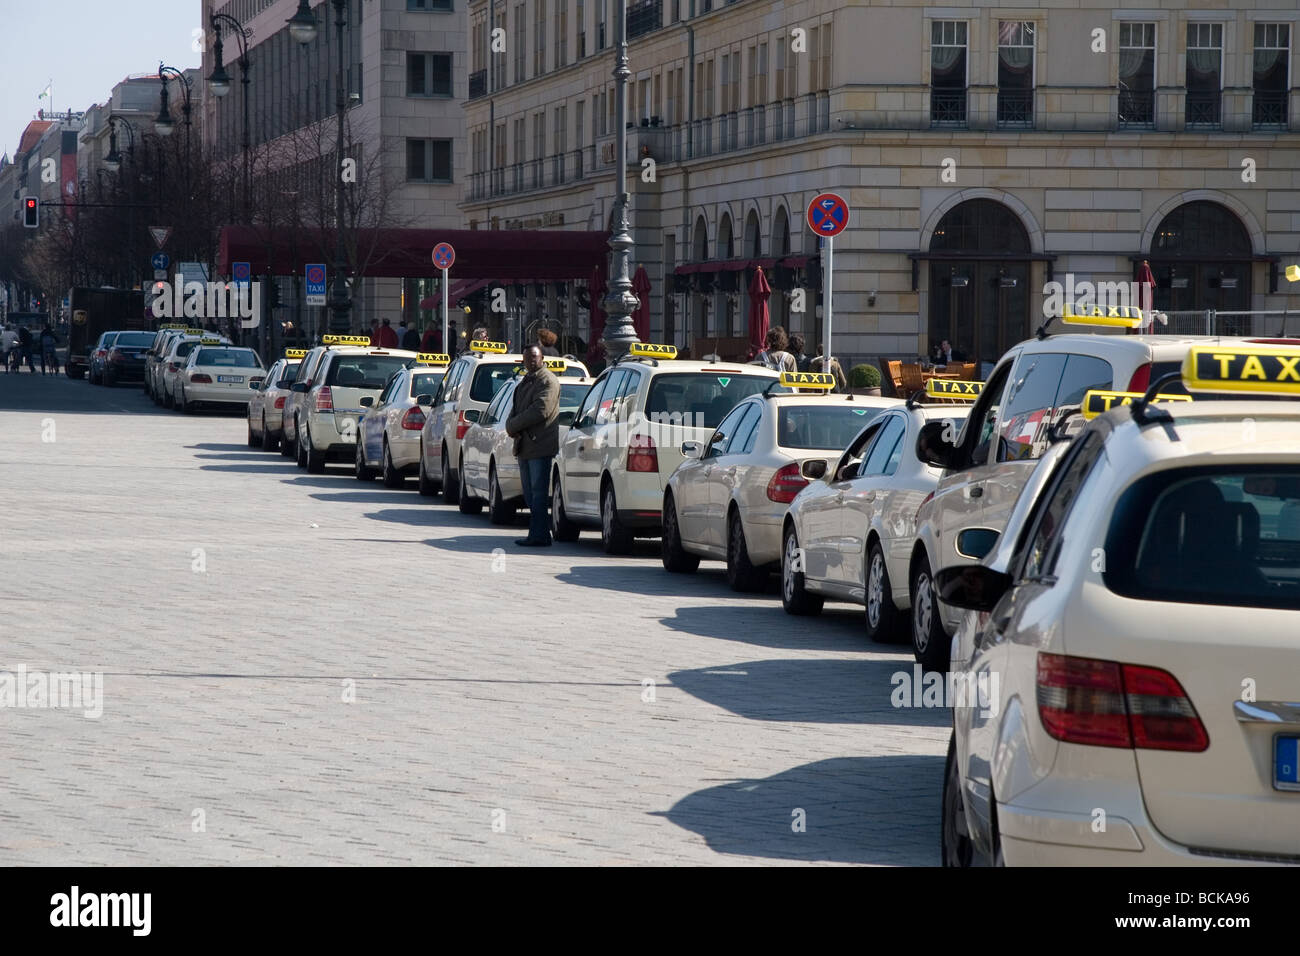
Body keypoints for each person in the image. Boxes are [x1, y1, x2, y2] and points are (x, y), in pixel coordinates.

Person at [506, 345, 560, 547]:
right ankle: (539, 533)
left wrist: (513, 425)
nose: (531, 361)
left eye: (534, 358)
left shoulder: (547, 380)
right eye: (527, 358)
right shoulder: (525, 381)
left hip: (540, 445)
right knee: (530, 494)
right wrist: (510, 425)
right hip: (524, 445)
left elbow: (541, 410)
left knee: (538, 493)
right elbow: (516, 408)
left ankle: (538, 535)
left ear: (542, 357)